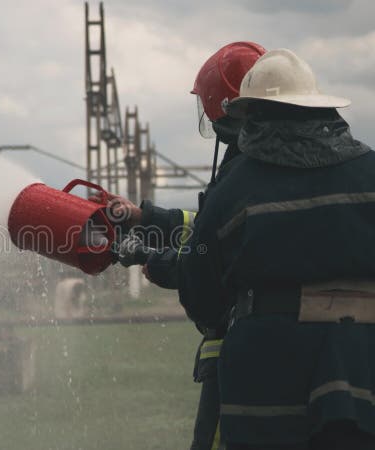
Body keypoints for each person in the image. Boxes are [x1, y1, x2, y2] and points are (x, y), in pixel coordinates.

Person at [143, 49, 375, 449]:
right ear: (322, 111)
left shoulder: (232, 192)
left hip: (260, 400)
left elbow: (200, 291)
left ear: (250, 116)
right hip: (366, 389)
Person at [102, 41, 266, 450]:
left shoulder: (243, 175)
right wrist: (145, 217)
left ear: (223, 108)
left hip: (238, 346)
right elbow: (204, 231)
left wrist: (150, 258)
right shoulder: (262, 164)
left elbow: (208, 258)